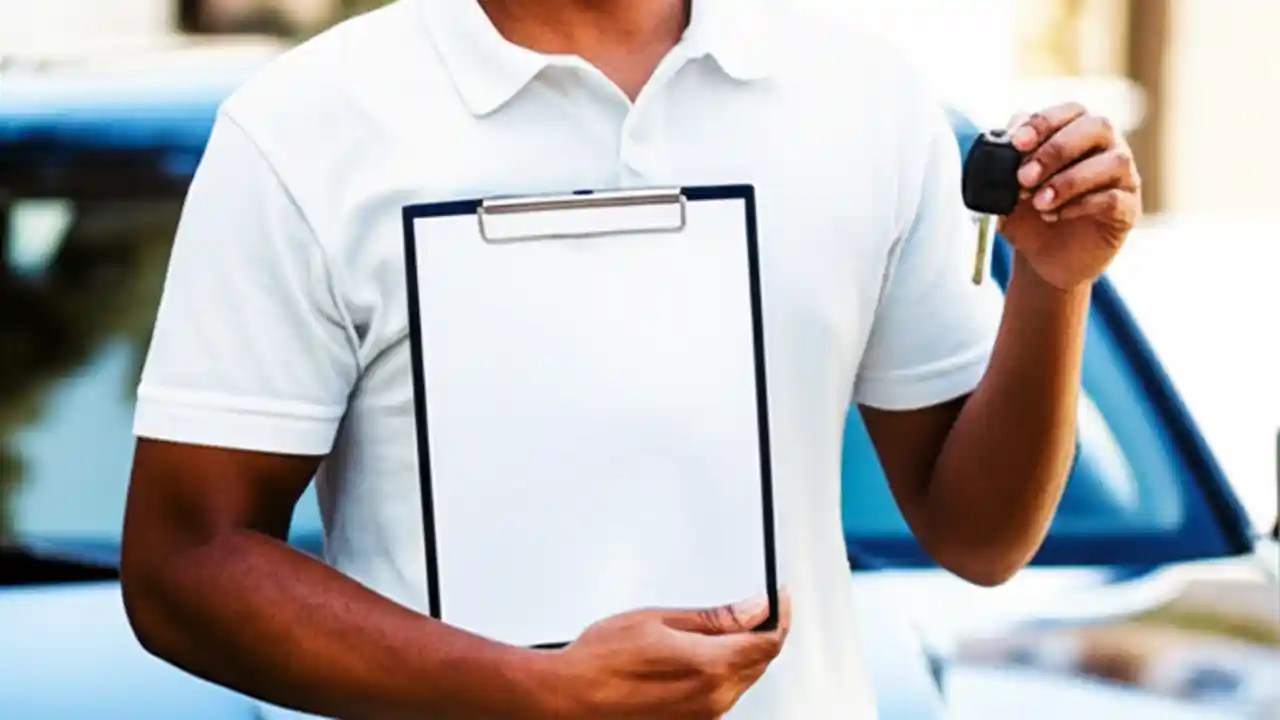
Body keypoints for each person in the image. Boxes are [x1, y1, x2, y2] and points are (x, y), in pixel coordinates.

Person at [120, 0, 1142, 717]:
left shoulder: (863, 99)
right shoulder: (307, 124)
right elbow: (184, 564)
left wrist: (1052, 288)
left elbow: (980, 537)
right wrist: (535, 697)